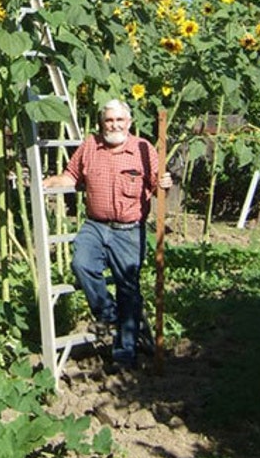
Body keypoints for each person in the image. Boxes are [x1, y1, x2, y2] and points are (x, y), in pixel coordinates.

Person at [43, 98, 170, 371]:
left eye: (119, 120)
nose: (114, 125)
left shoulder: (143, 149)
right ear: (102, 123)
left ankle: (125, 354)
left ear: (129, 122)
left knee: (128, 289)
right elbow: (70, 176)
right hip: (95, 226)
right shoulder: (90, 145)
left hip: (129, 230)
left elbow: (158, 187)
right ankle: (107, 313)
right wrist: (48, 183)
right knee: (81, 264)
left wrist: (163, 184)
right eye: (109, 120)